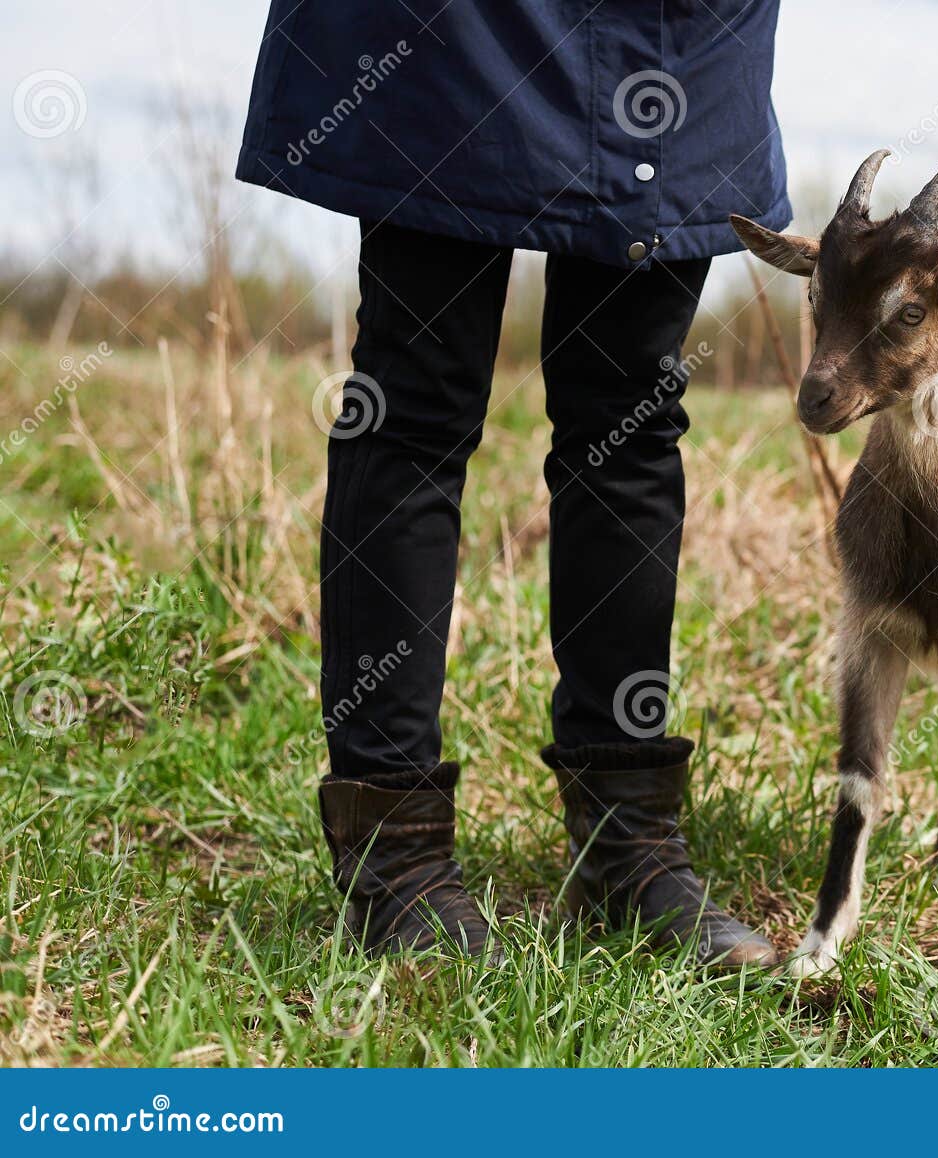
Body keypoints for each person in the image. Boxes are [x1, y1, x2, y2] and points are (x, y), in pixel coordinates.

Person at [235, 1, 790, 966]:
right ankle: (393, 858)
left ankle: (629, 843)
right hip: (450, 32)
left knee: (630, 417)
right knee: (413, 404)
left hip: (680, 30)